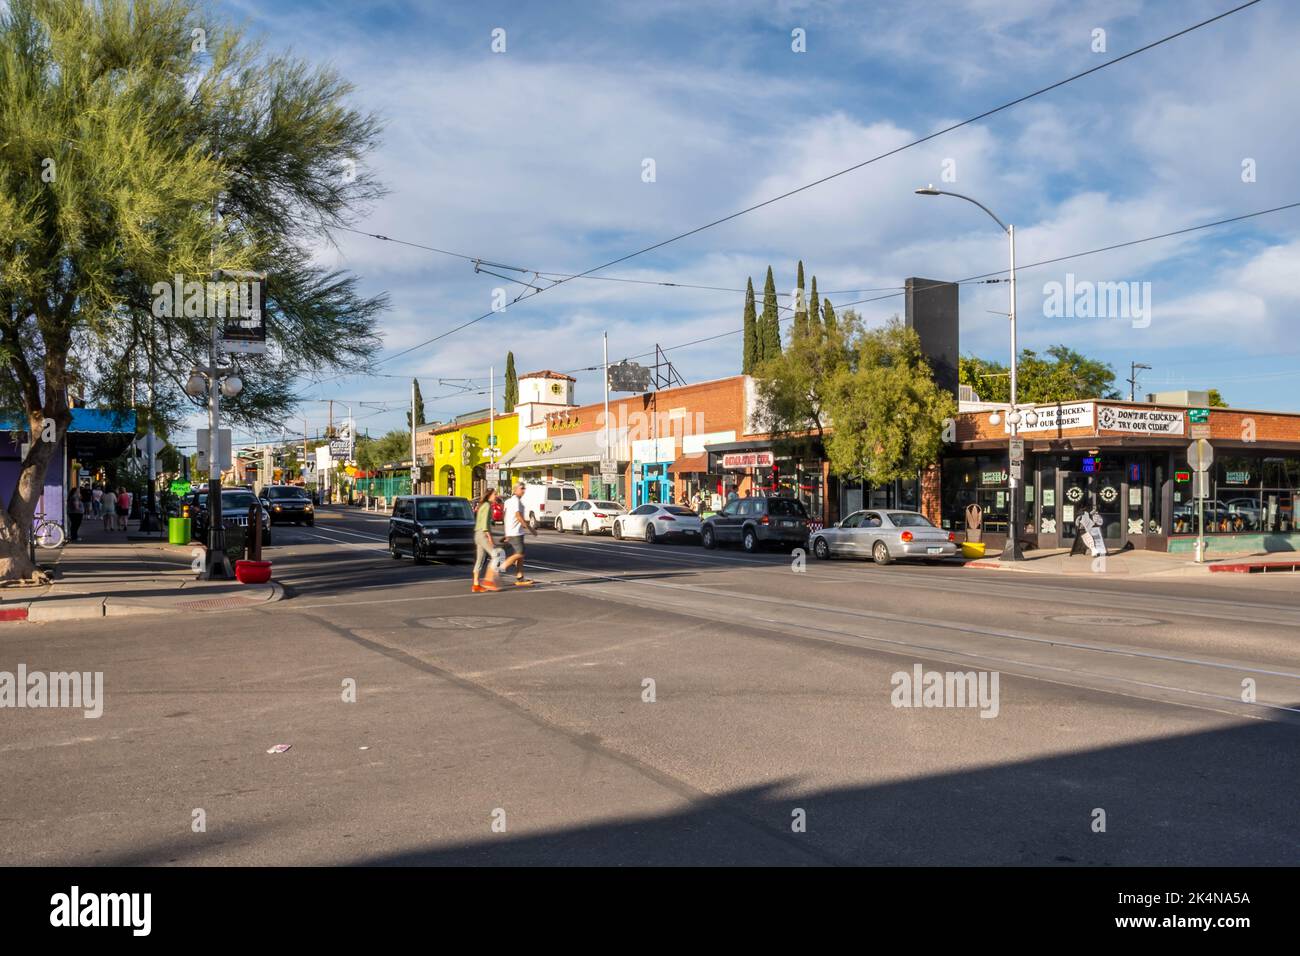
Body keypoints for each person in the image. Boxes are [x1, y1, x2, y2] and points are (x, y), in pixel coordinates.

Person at [498, 480, 537, 587]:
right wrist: (529, 528)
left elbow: (505, 517)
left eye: (524, 488)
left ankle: (520, 577)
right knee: (520, 553)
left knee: (520, 556)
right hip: (515, 532)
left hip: (513, 531)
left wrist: (506, 532)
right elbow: (518, 515)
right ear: (515, 490)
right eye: (521, 488)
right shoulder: (515, 501)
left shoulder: (508, 501)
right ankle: (501, 568)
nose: (524, 490)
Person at [472, 487, 502, 593]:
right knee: (495, 556)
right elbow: (485, 524)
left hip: (478, 534)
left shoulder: (482, 505)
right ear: (489, 496)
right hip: (483, 534)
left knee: (480, 560)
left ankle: (476, 584)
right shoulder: (487, 506)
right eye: (494, 494)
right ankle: (489, 580)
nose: (496, 496)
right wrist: (490, 538)